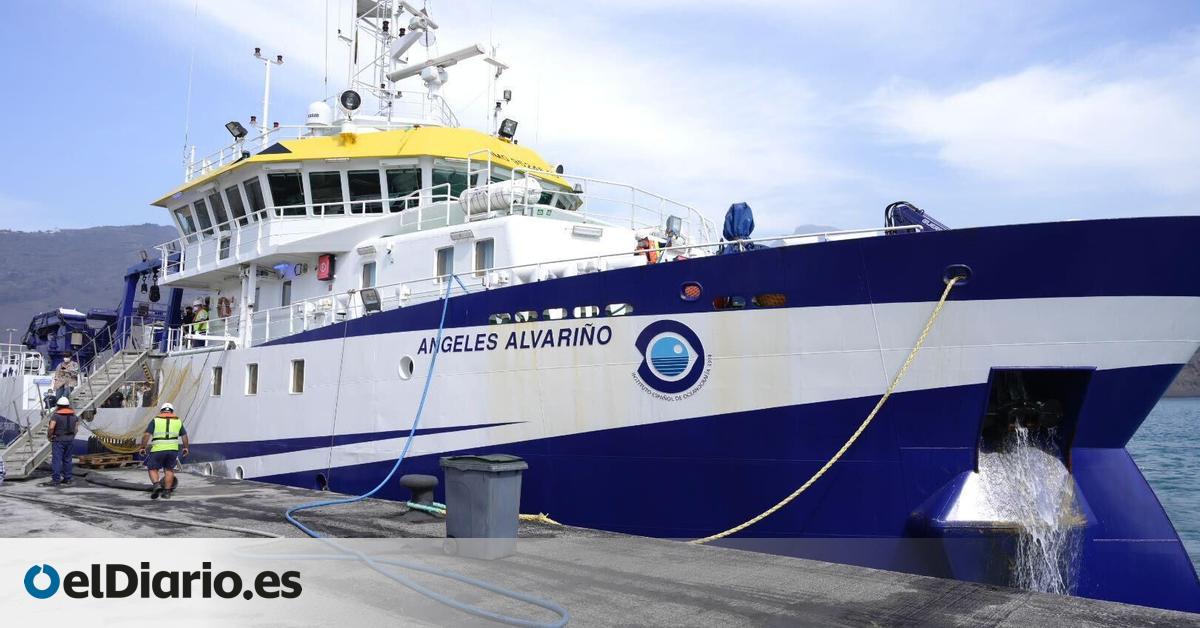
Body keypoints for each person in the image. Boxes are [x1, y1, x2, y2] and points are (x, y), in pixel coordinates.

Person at [138, 402, 189, 499]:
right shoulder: (178, 421)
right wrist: (186, 448)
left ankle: (156, 485)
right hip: (173, 450)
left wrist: (143, 447)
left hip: (158, 449)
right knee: (169, 469)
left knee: (152, 468)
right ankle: (166, 492)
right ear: (171, 411)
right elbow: (184, 436)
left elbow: (146, 435)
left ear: (162, 411)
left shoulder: (155, 421)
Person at [47, 397, 78, 486]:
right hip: (70, 440)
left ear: (58, 406)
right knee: (68, 460)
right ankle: (67, 478)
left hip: (58, 440)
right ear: (68, 406)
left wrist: (49, 436)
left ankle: (56, 480)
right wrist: (72, 437)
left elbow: (51, 427)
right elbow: (76, 429)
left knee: (57, 460)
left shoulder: (56, 416)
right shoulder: (74, 416)